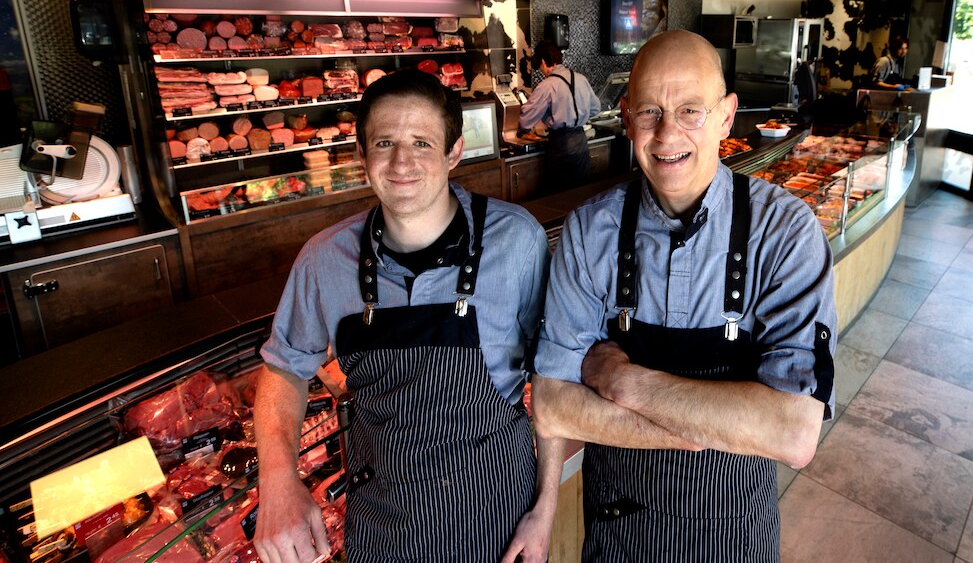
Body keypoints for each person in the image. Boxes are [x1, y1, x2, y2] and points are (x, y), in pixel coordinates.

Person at [532, 29, 837, 561]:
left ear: (726, 115)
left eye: (691, 110)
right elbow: (555, 408)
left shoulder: (785, 232)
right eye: (650, 111)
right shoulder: (589, 231)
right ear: (627, 118)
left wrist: (622, 381)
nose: (666, 133)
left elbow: (792, 433)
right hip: (617, 533)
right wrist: (716, 426)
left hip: (734, 536)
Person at [253, 69, 565, 563]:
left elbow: (553, 376)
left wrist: (547, 507)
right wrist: (277, 481)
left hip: (499, 516)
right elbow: (283, 369)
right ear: (361, 156)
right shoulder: (323, 260)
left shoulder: (517, 240)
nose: (402, 162)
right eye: (384, 142)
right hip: (382, 523)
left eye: (422, 142)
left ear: (453, 153)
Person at [519, 39, 601, 195]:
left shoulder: (547, 85)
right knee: (581, 192)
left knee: (559, 195)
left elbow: (527, 117)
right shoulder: (580, 78)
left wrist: (522, 130)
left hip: (561, 145)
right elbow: (596, 108)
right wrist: (576, 116)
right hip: (581, 141)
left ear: (543, 61)